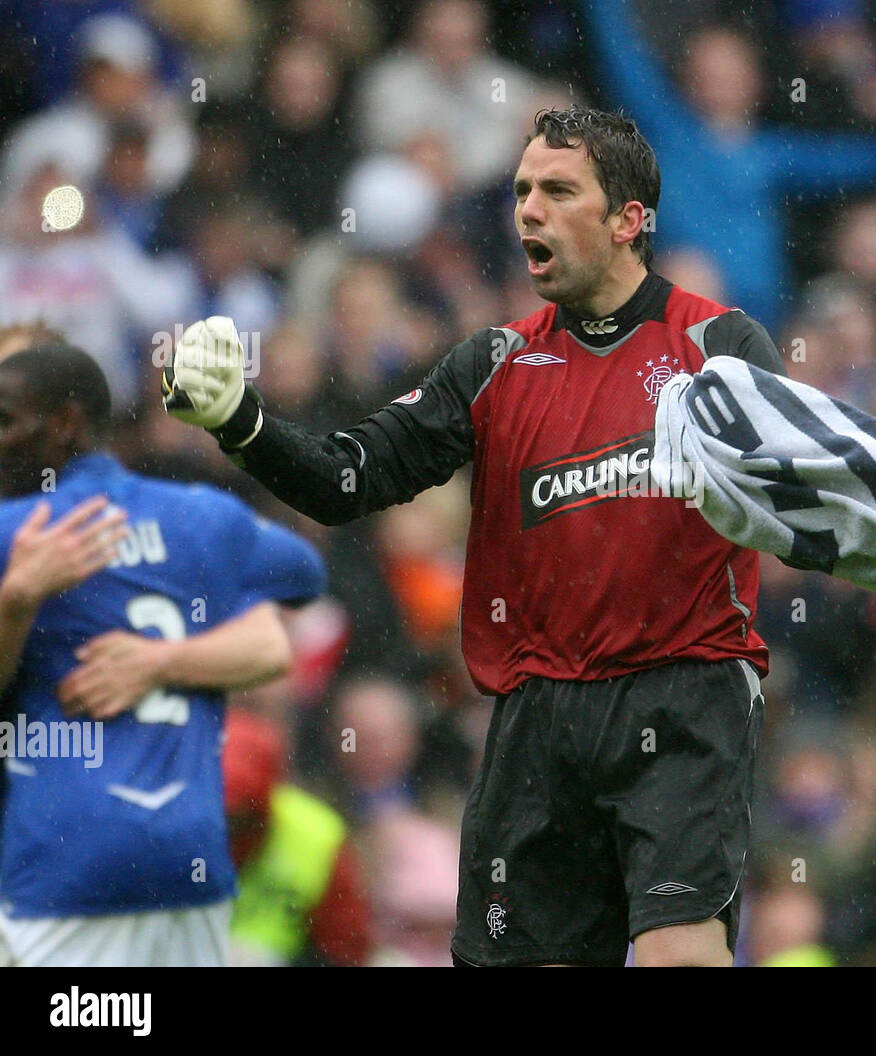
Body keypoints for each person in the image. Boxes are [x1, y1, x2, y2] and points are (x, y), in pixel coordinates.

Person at [163, 105, 783, 967]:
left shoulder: (720, 345)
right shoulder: (491, 365)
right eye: (522, 189)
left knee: (681, 954)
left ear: (628, 220)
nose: (528, 208)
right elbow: (349, 482)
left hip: (683, 693)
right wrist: (240, 420)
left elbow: (799, 491)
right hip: (536, 712)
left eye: (559, 191)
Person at [0, 341, 325, 967]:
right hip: (188, 859)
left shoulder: (18, 533)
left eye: (4, 420)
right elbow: (303, 573)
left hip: (70, 863)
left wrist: (19, 596)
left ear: (64, 424)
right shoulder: (198, 518)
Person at [224, 708, 371, 967]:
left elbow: (347, 950)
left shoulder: (316, 837)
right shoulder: (157, 836)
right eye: (222, 816)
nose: (230, 828)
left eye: (239, 817)